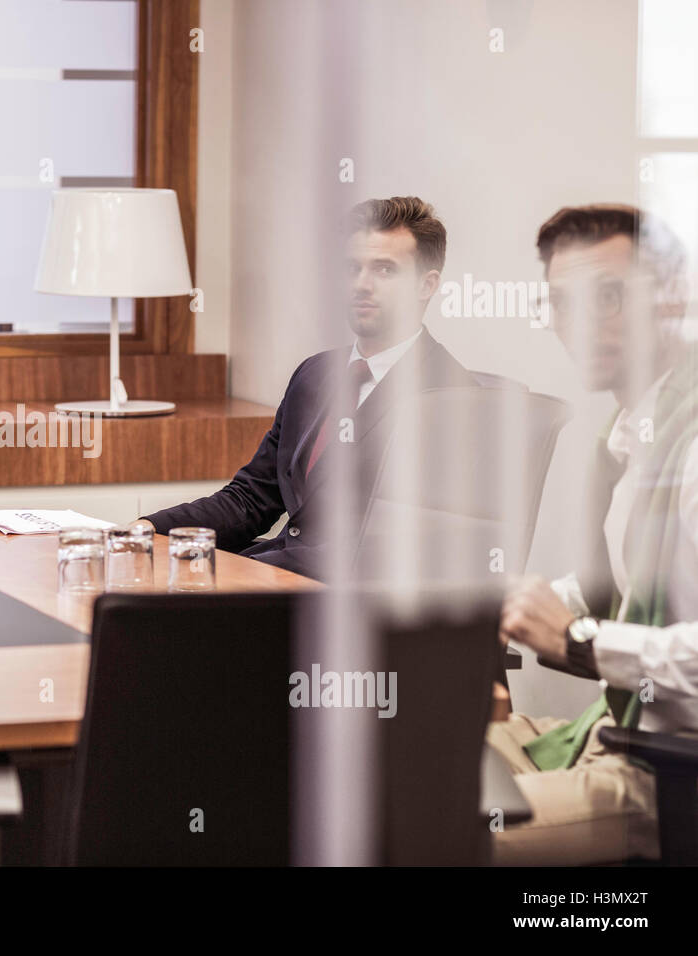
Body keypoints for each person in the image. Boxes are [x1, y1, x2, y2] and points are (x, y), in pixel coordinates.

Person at [491, 204, 698, 865]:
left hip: (665, 773)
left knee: (423, 831)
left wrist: (580, 642)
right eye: (561, 302)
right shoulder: (643, 428)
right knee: (412, 753)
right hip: (611, 734)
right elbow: (635, 584)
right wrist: (518, 613)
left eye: (610, 297)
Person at [137, 196, 476, 580]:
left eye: (384, 269)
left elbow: (387, 547)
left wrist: (239, 573)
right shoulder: (315, 374)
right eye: (352, 268)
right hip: (278, 585)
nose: (362, 285)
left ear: (426, 285)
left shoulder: (450, 396)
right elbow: (251, 499)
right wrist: (151, 529)